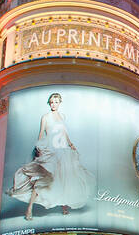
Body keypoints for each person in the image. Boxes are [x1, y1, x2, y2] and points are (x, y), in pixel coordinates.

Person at [7, 92, 95, 220]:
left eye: (56, 102)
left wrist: (70, 144)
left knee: (65, 177)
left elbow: (64, 132)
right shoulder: (45, 117)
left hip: (63, 149)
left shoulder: (62, 116)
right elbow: (41, 133)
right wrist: (40, 147)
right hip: (51, 149)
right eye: (52, 102)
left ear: (60, 103)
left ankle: (64, 205)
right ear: (49, 103)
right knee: (42, 179)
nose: (54, 104)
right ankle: (29, 209)